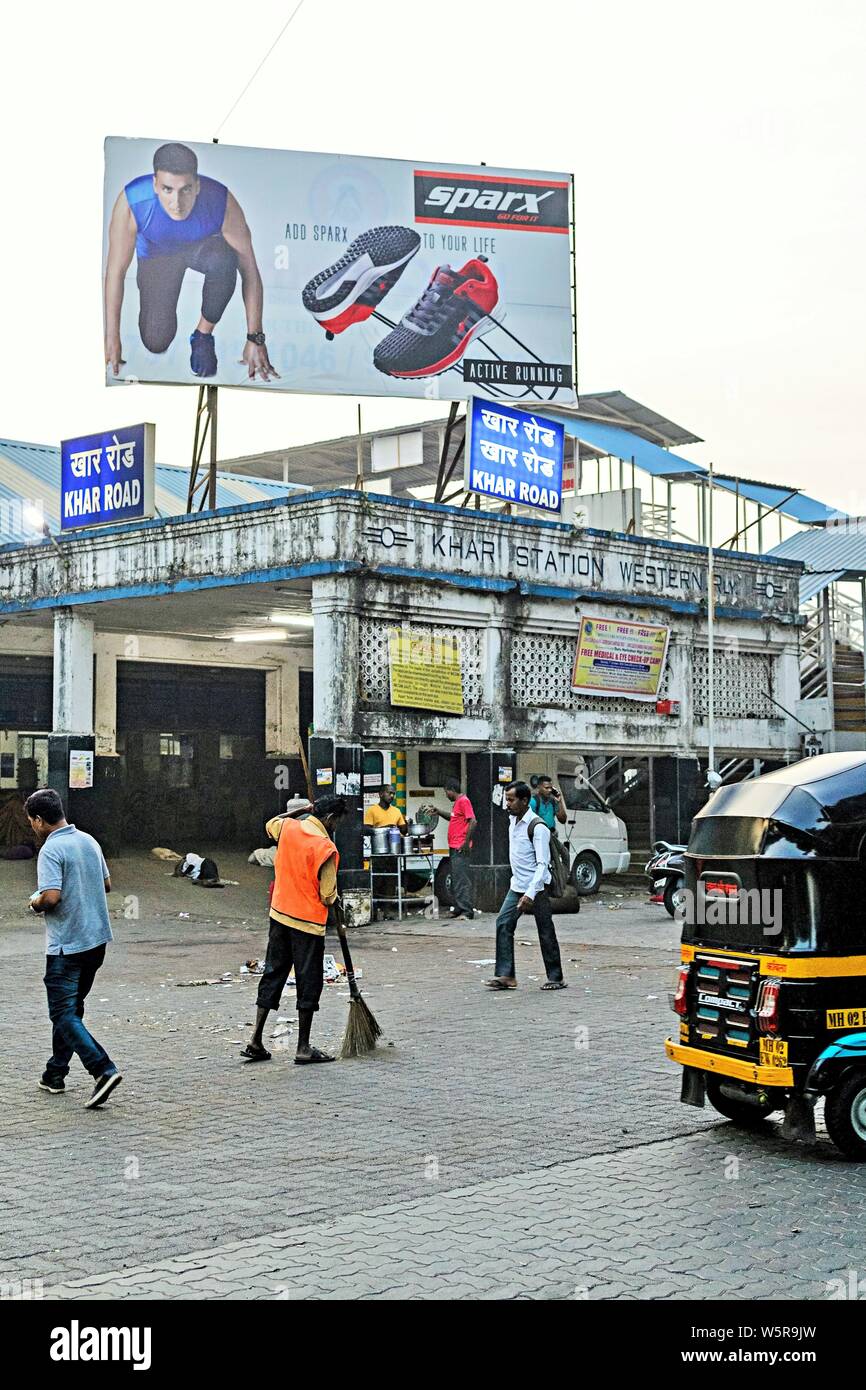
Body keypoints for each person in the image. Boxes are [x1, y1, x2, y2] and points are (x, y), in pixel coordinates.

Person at [104, 142, 279, 382]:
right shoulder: (132, 202)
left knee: (226, 259)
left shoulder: (222, 202)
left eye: (185, 190)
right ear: (155, 185)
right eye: (167, 189)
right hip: (158, 257)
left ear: (197, 186)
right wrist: (111, 337)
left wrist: (255, 338)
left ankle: (203, 335)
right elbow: (115, 271)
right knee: (156, 341)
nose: (177, 202)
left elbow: (249, 270)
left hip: (203, 248)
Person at [25, 788, 123, 1109]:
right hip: (95, 943)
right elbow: (106, 884)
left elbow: (51, 897)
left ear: (40, 820)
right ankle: (55, 1074)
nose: (32, 827)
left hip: (66, 946)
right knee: (71, 1011)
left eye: (31, 822)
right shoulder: (89, 841)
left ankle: (102, 1069)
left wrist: (35, 901)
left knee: (62, 1013)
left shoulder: (51, 850)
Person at [241, 795, 347, 1066]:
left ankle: (256, 1039)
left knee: (273, 973)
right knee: (308, 981)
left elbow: (270, 824)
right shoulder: (325, 848)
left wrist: (302, 809)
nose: (337, 827)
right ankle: (302, 1047)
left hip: (279, 915)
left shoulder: (287, 828)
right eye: (337, 822)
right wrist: (336, 901)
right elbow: (327, 895)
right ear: (330, 819)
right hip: (307, 924)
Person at [485, 781, 566, 992]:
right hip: (517, 885)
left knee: (545, 930)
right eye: (506, 799)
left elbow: (542, 865)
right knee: (503, 923)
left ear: (524, 801)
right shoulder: (513, 821)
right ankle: (507, 975)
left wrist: (530, 893)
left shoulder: (538, 827)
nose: (507, 804)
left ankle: (556, 977)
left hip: (537, 887)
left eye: (511, 800)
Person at [427, 779, 477, 920]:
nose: (446, 795)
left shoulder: (464, 801)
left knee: (461, 879)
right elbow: (453, 817)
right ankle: (458, 907)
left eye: (446, 792)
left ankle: (467, 911)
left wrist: (466, 843)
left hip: (460, 846)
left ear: (451, 789)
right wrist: (439, 812)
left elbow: (473, 821)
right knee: (456, 878)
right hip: (455, 845)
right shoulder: (458, 803)